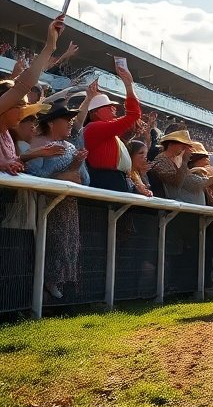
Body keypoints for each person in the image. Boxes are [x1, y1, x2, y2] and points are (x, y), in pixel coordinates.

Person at [27, 102, 90, 300]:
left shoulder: (72, 147)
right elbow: (33, 174)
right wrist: (61, 178)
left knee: (66, 249)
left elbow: (84, 179)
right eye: (67, 120)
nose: (71, 123)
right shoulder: (37, 144)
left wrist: (77, 163)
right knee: (46, 248)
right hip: (44, 207)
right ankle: (40, 293)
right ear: (52, 123)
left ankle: (56, 292)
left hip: (68, 208)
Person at [0, 16, 66, 175]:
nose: (24, 113)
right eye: (20, 106)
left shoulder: (6, 134)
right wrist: (50, 46)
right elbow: (23, 85)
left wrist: (34, 155)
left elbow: (10, 162)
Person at [81, 62, 142, 192]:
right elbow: (134, 114)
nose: (114, 109)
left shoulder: (103, 129)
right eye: (109, 107)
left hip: (112, 180)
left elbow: (133, 118)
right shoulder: (95, 127)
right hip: (105, 181)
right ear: (95, 112)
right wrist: (128, 85)